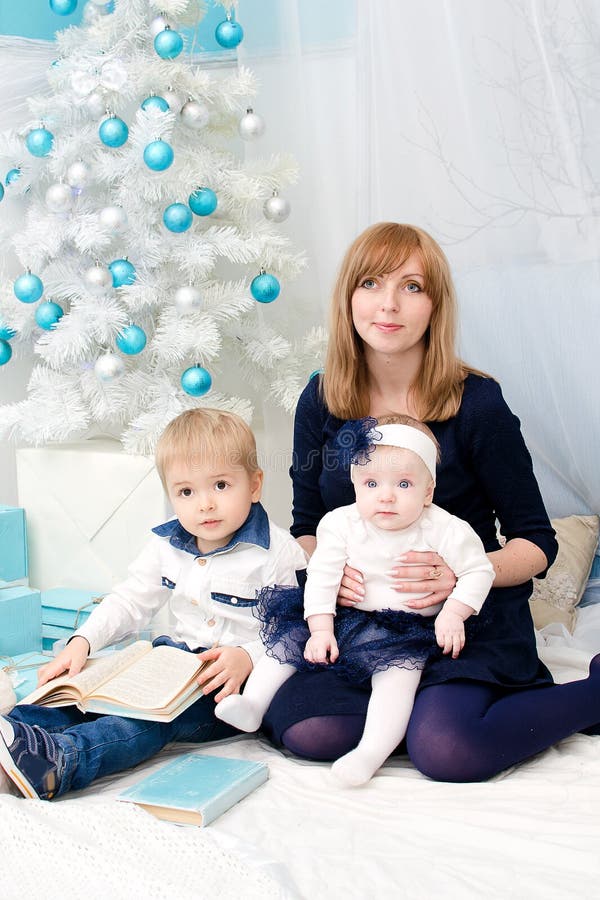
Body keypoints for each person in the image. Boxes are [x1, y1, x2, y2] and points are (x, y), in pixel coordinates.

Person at [261, 221, 600, 783]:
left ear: (435, 305)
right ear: (348, 296)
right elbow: (306, 525)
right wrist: (328, 565)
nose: (388, 304)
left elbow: (536, 543)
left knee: (448, 750)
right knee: (310, 732)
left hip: (463, 615)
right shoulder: (321, 400)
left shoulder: (478, 404)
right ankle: (408, 707)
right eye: (371, 283)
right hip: (363, 618)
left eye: (412, 287)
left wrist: (462, 576)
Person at [0, 408, 307, 800]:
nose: (205, 505)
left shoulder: (278, 552)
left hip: (229, 687)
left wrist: (247, 656)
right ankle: (15, 729)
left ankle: (61, 761)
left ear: (255, 484)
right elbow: (130, 600)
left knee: (144, 721)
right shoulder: (167, 545)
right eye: (186, 492)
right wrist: (83, 641)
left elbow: (295, 628)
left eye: (221, 485)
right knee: (90, 696)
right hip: (172, 662)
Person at [216, 414, 495, 785]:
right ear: (355, 484)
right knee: (284, 641)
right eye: (372, 482)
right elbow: (322, 578)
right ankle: (253, 704)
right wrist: (320, 628)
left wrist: (453, 614)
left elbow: (480, 571)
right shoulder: (340, 524)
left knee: (397, 679)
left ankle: (370, 753)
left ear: (428, 491)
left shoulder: (445, 529)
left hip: (405, 629)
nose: (386, 495)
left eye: (405, 483)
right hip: (345, 616)